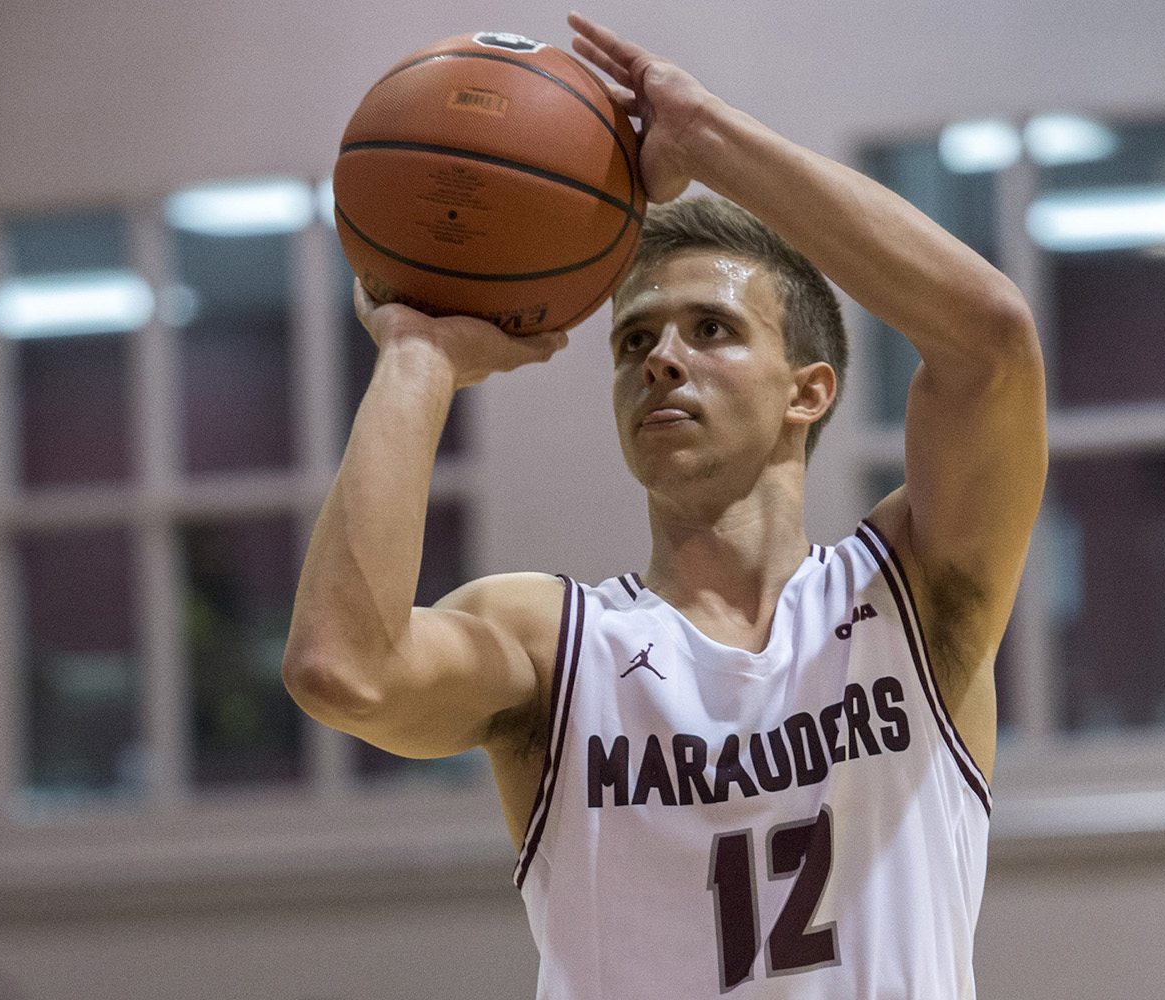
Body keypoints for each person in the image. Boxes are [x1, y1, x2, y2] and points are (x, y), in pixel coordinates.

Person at [282, 12, 1046, 1000]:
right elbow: (340, 668)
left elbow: (990, 341)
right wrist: (417, 357)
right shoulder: (555, 647)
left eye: (711, 329)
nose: (661, 359)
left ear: (807, 391)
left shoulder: (911, 594)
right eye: (633, 341)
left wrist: (707, 139)